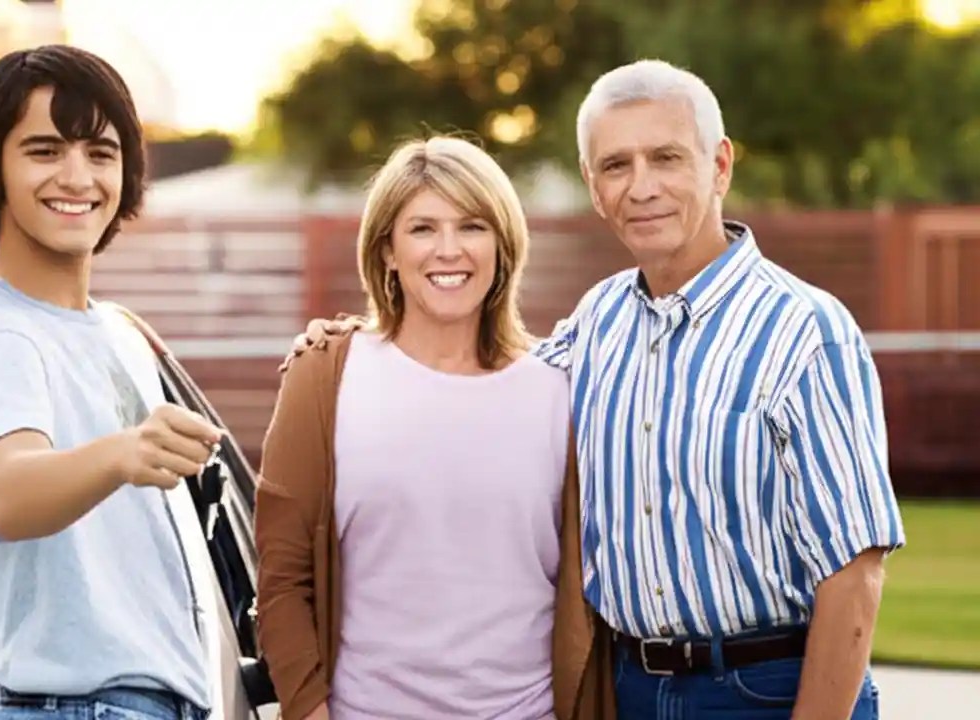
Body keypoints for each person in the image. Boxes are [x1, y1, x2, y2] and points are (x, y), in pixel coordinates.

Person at [288, 59, 905, 719]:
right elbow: (481, 368)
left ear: (720, 165)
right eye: (615, 166)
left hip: (767, 689)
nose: (641, 187)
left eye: (665, 158)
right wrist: (361, 338)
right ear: (593, 183)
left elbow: (854, 570)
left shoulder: (805, 331)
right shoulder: (597, 321)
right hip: (629, 689)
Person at [254, 134, 610, 720]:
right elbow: (283, 576)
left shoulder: (562, 385)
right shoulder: (326, 375)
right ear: (387, 251)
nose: (449, 250)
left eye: (472, 226)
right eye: (422, 229)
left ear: (502, 245)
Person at [0, 45, 222, 720]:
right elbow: (9, 494)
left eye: (101, 152)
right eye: (45, 150)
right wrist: (122, 454)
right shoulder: (1, 341)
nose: (78, 176)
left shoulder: (113, 333)